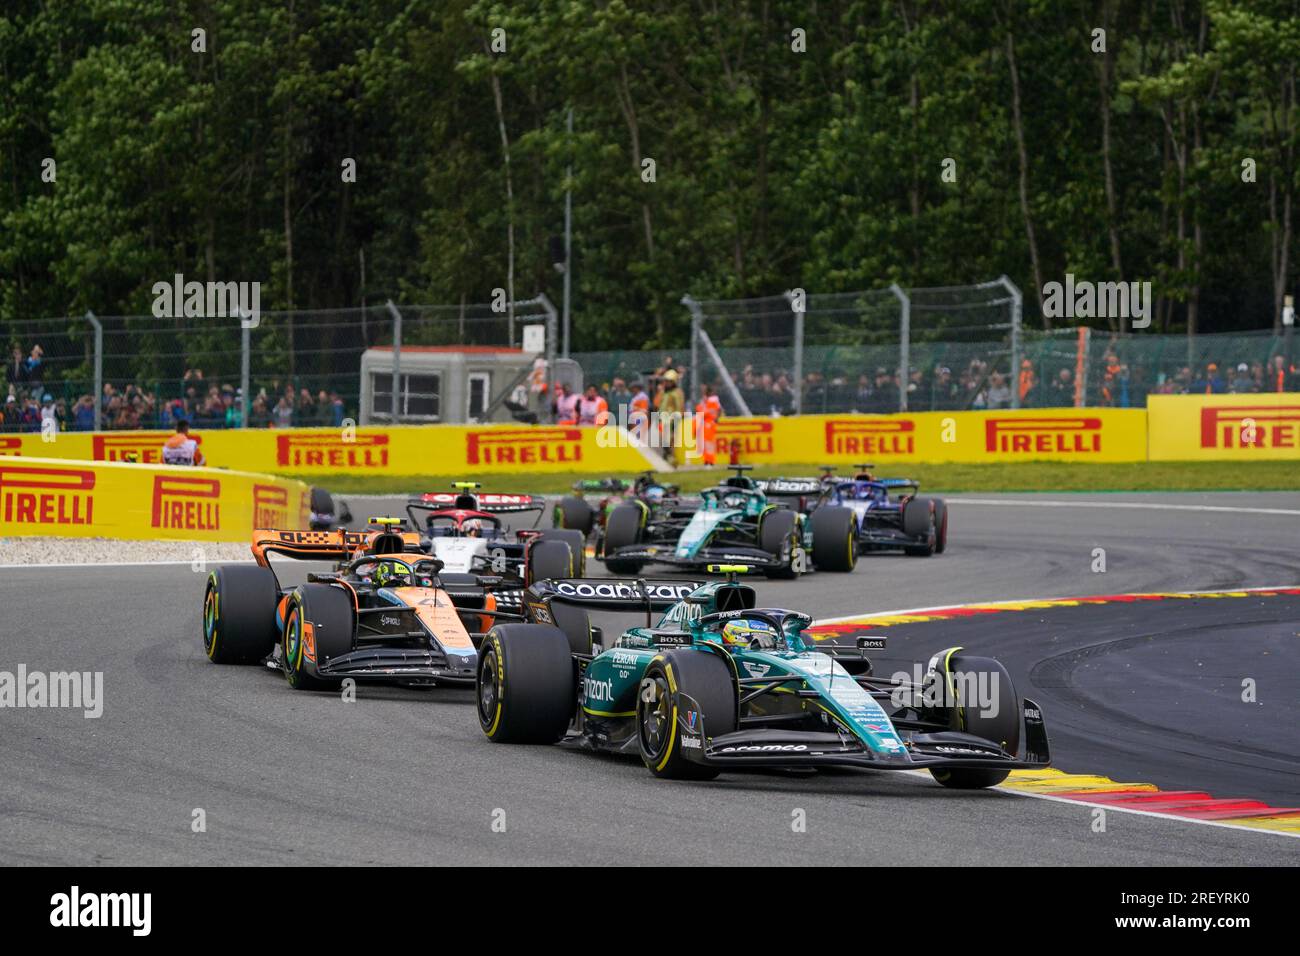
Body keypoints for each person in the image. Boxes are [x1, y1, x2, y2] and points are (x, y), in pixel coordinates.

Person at [657, 368, 684, 460]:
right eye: (666, 381)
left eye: (669, 381)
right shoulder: (664, 392)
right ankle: (667, 456)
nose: (666, 383)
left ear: (673, 382)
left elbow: (679, 407)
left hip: (672, 420)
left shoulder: (676, 393)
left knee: (670, 439)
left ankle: (671, 457)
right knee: (663, 440)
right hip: (663, 419)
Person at [694, 383, 722, 466]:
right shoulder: (705, 401)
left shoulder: (712, 400)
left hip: (709, 422)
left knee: (708, 442)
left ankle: (710, 461)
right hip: (705, 422)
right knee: (704, 442)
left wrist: (715, 418)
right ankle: (707, 460)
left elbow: (714, 410)